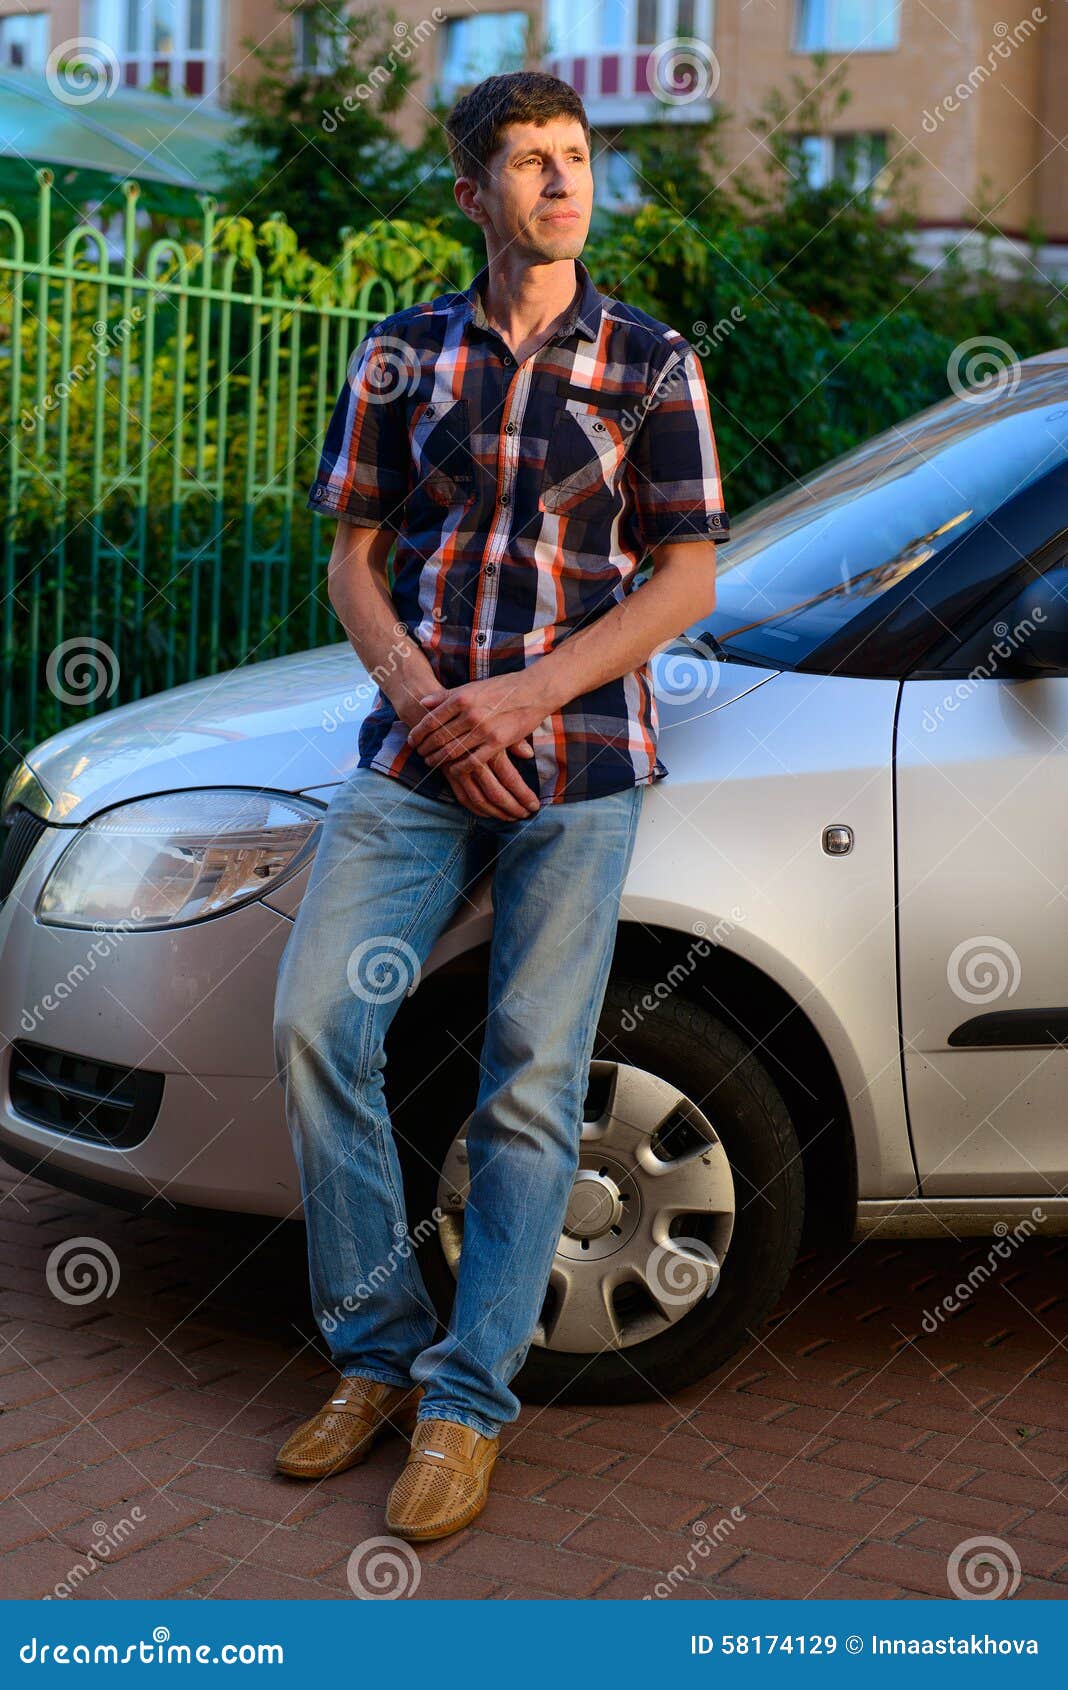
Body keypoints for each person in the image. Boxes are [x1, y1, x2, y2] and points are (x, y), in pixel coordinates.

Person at [272, 69, 730, 1544]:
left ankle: (467, 1403)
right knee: (317, 1024)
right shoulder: (402, 355)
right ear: (472, 192)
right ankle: (374, 1355)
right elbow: (353, 561)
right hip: (419, 755)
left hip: (578, 760)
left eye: (575, 156)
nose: (561, 181)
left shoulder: (652, 363)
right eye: (529, 160)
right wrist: (430, 707)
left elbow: (686, 578)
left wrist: (524, 700)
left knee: (532, 1077)